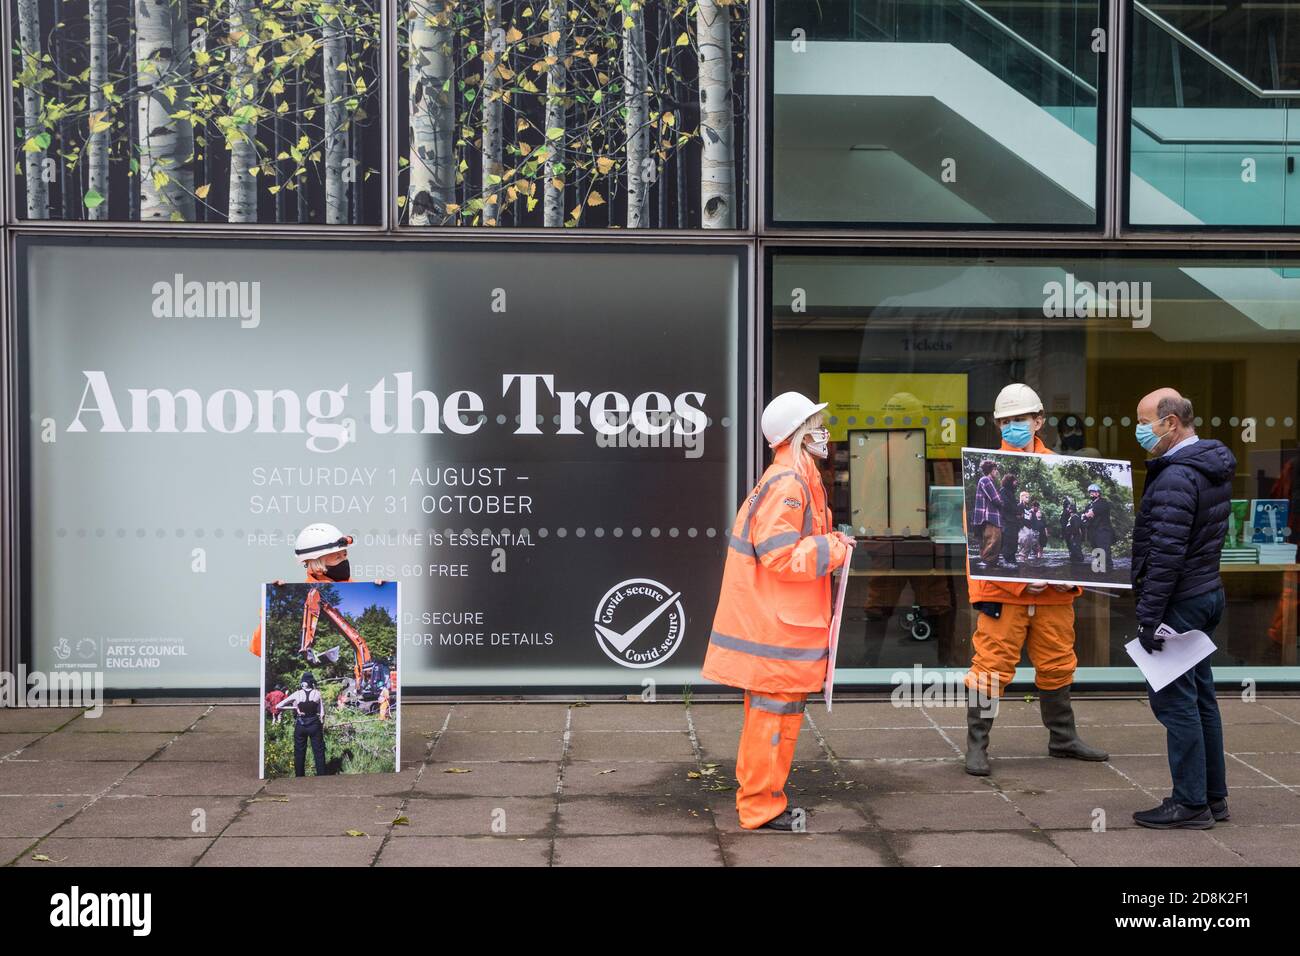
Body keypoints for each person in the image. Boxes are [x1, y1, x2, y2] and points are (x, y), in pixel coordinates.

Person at [702, 391, 853, 831]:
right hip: (778, 634)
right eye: (817, 425)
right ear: (798, 435)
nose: (824, 433)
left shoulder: (792, 478)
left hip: (778, 629)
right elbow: (781, 556)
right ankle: (760, 806)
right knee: (772, 721)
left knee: (772, 719)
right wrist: (835, 547)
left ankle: (763, 799)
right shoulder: (790, 483)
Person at [963, 383, 1109, 776]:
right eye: (1006, 421)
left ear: (1039, 420)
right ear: (997, 424)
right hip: (1002, 593)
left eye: (1020, 419)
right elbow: (977, 542)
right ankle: (977, 746)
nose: (1013, 426)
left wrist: (1069, 582)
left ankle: (1063, 739)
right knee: (991, 666)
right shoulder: (985, 470)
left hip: (1053, 598)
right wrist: (1018, 583)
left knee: (1059, 663)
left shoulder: (1061, 466)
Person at [1131, 388, 1235, 829]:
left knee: (1177, 704)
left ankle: (1190, 803)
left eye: (1143, 421)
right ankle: (1214, 798)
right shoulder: (1209, 465)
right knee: (1203, 699)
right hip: (1207, 592)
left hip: (1181, 602)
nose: (1139, 430)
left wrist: (1150, 617)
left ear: (1171, 422)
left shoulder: (1177, 476)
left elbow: (1166, 554)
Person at [250, 522, 355, 658]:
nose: (345, 560)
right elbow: (259, 648)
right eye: (338, 557)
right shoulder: (310, 596)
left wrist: (384, 587)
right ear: (317, 564)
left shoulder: (353, 585)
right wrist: (272, 608)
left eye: (345, 554)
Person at [277, 671, 327, 777]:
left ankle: (299, 778)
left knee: (299, 753)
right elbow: (322, 713)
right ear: (311, 682)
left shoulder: (297, 694)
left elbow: (278, 706)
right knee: (319, 752)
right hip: (314, 724)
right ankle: (322, 777)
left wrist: (295, 707)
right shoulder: (317, 693)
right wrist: (321, 726)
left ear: (303, 682)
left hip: (301, 725)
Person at [973, 460, 1004, 570]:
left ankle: (990, 565)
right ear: (990, 470)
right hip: (990, 517)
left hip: (990, 517)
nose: (996, 471)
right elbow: (996, 500)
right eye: (995, 469)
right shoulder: (986, 480)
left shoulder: (987, 481)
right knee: (993, 541)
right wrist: (1004, 504)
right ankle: (987, 565)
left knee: (991, 541)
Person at [1082, 483, 1115, 573]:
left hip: (1103, 531)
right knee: (1096, 552)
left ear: (1098, 493)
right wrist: (1085, 515)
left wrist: (1086, 515)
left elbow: (1089, 515)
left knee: (1104, 552)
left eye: (1093, 492)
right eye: (1090, 492)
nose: (1091, 494)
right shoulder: (1089, 505)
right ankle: (1101, 572)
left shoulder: (1103, 503)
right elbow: (1083, 516)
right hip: (1093, 532)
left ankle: (1109, 572)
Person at [998, 472, 1020, 569]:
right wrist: (1016, 511)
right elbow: (1006, 504)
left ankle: (1012, 559)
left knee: (1014, 540)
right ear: (1010, 481)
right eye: (1015, 481)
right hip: (1007, 520)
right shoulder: (1003, 491)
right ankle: (1006, 560)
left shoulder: (1011, 492)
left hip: (1013, 521)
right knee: (1008, 541)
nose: (1016, 483)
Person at [1061, 497, 1085, 563]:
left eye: (1069, 509)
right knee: (1073, 551)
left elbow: (1076, 527)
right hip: (1072, 537)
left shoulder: (1075, 517)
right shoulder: (1072, 517)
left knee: (1077, 551)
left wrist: (1072, 535)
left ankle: (1079, 564)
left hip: (1075, 537)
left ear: (1071, 510)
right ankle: (1075, 562)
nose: (1068, 509)